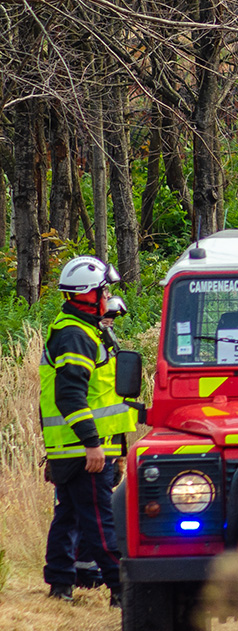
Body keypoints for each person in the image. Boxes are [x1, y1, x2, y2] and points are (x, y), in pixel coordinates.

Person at [41, 256, 136, 605]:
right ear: (87, 294)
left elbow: (103, 397)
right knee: (99, 520)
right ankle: (122, 588)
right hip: (83, 450)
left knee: (67, 515)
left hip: (76, 447)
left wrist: (116, 449)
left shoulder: (82, 331)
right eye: (103, 290)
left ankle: (60, 583)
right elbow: (69, 397)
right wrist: (93, 444)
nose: (107, 296)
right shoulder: (75, 336)